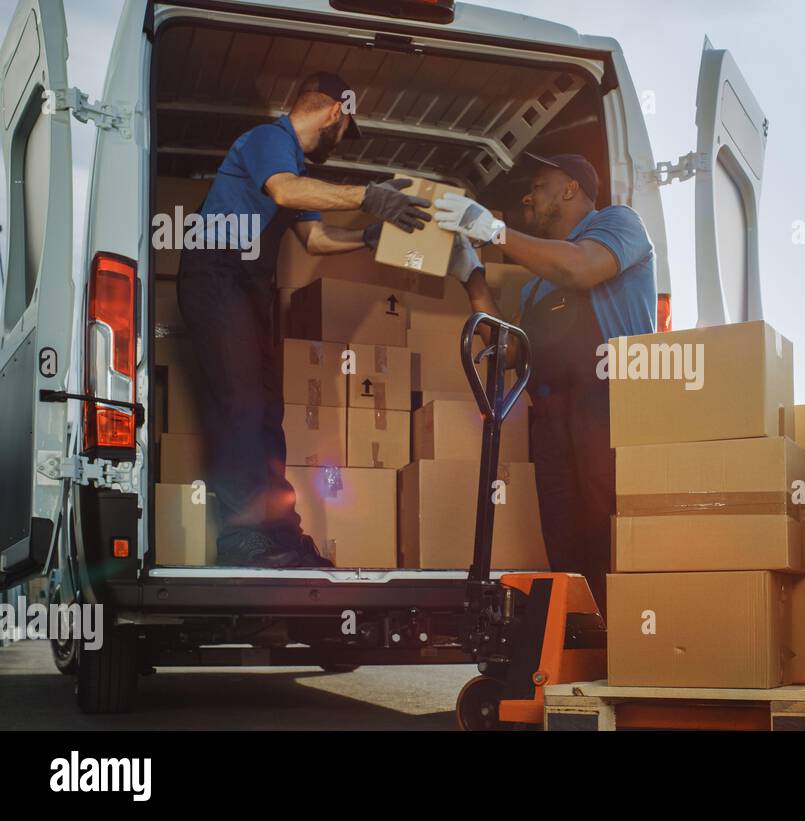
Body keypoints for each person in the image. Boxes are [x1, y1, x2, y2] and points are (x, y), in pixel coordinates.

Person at [177, 72, 432, 568]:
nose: (341, 142)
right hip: (215, 272)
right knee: (240, 405)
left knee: (268, 411)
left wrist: (368, 237)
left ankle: (280, 532)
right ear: (337, 111)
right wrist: (366, 195)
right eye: (347, 128)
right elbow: (286, 193)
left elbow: (314, 241)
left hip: (249, 287)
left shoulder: (291, 160)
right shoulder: (268, 141)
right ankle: (240, 538)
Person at [435, 153, 656, 613]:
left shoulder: (619, 224)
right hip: (552, 421)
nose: (527, 195)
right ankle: (585, 646)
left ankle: (637, 643)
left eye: (539, 184)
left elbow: (581, 267)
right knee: (565, 544)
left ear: (570, 189)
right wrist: (472, 277)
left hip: (610, 406)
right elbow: (511, 353)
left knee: (612, 533)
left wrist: (494, 230)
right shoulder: (535, 287)